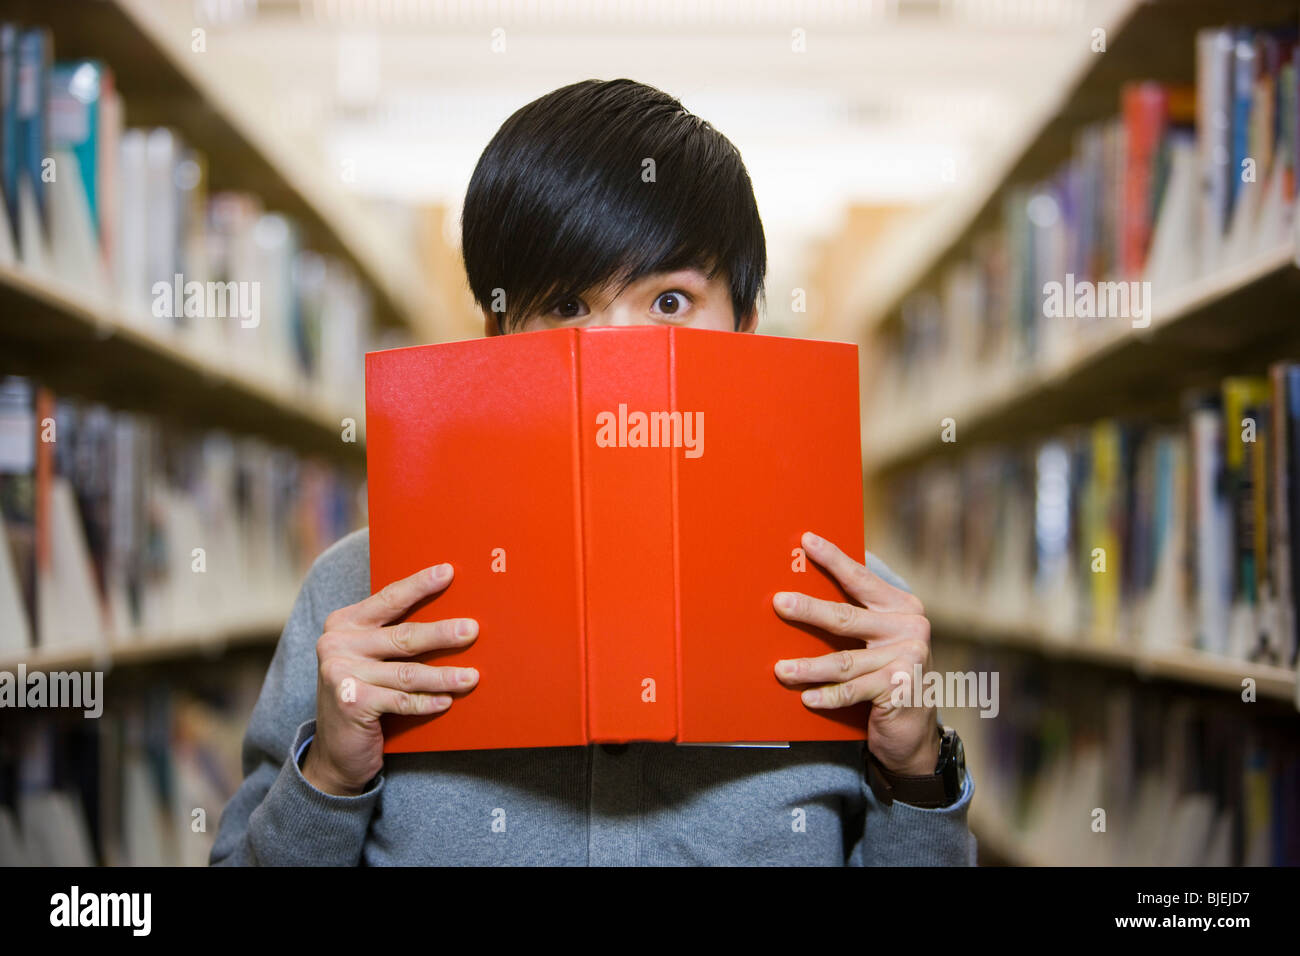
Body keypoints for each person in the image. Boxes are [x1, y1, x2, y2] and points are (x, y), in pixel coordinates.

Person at [210, 78, 976, 866]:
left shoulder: (850, 609)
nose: (616, 351)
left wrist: (916, 772)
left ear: (747, 329)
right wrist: (331, 774)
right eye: (567, 302)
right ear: (497, 336)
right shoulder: (359, 596)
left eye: (671, 302)